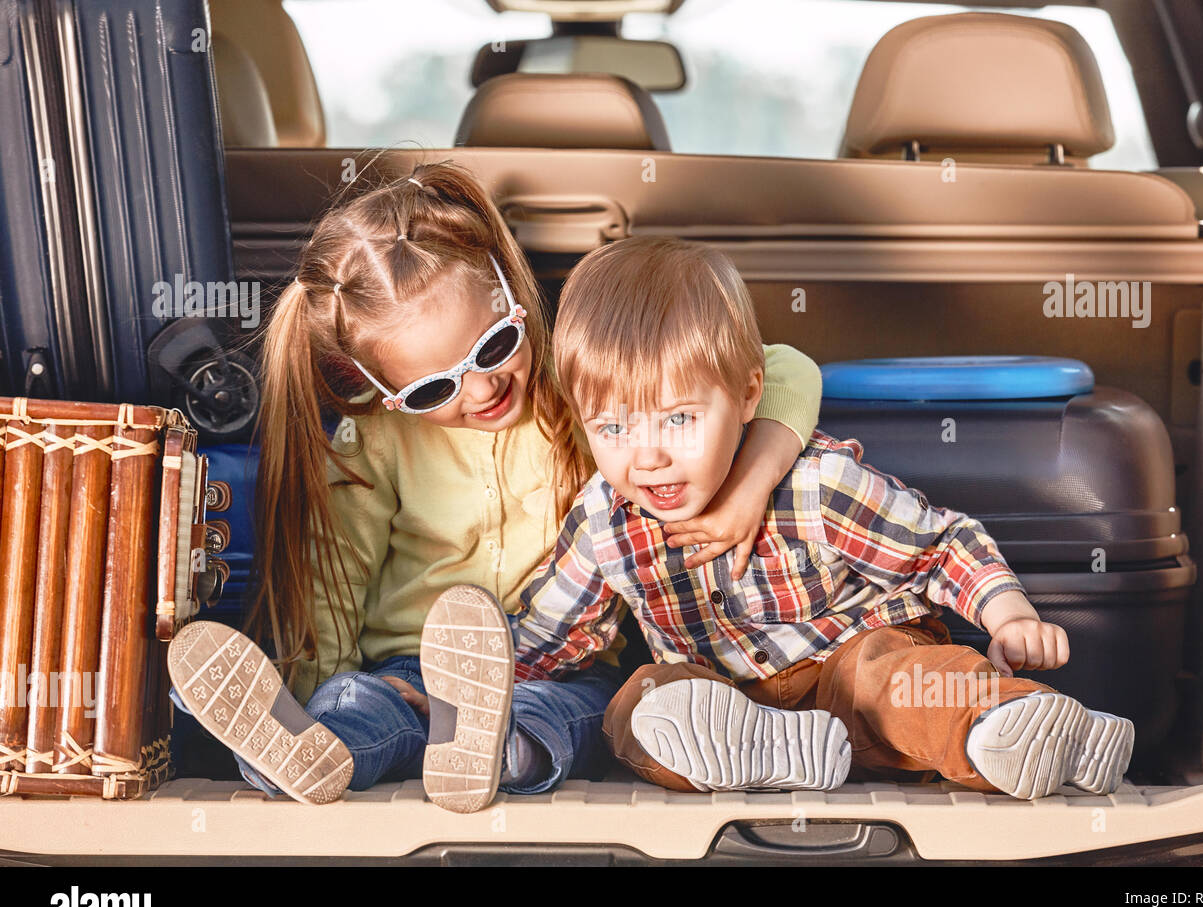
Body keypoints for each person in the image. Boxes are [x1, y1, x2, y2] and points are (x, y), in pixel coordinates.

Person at [167, 164, 826, 811]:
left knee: (561, 714)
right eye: (431, 389)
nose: (481, 389)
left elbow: (784, 366)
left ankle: (497, 752)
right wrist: (322, 686)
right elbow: (333, 580)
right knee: (363, 704)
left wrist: (751, 484)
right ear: (377, 390)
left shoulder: (585, 392)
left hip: (569, 661)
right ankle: (303, 745)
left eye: (492, 346)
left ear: (509, 290)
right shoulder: (374, 443)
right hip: (413, 663)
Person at [426, 235, 1134, 802]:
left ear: (747, 394)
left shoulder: (816, 484)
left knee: (895, 683)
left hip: (849, 661)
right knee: (637, 701)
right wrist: (462, 692)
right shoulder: (605, 521)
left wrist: (1008, 614)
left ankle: (1006, 726)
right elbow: (553, 636)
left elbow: (941, 546)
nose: (646, 458)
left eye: (678, 419)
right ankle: (766, 753)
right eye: (611, 429)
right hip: (731, 707)